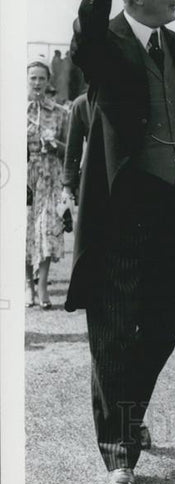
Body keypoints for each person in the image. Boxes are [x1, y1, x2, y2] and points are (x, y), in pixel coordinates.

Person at [65, 0, 175, 484]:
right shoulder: (109, 44)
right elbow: (83, 40)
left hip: (172, 200)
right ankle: (119, 448)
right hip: (123, 206)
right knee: (118, 326)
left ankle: (131, 410)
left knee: (166, 319)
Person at [26, 60, 69, 309]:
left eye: (41, 78)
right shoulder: (15, 111)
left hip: (51, 177)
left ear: (48, 80)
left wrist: (56, 145)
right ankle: (26, 286)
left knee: (47, 230)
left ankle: (42, 285)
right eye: (33, 78)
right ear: (27, 80)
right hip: (27, 178)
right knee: (26, 230)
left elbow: (70, 151)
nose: (37, 83)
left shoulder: (60, 113)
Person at [62, 90, 91, 203]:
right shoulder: (81, 104)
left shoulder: (124, 101)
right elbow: (73, 149)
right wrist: (67, 187)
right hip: (91, 172)